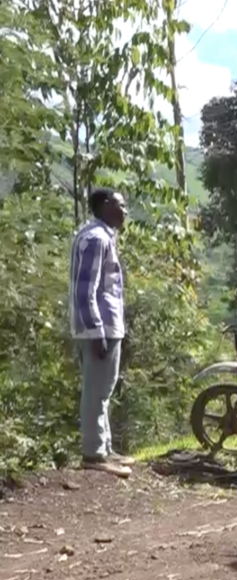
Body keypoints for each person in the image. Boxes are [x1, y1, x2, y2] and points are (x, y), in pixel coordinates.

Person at [70, 188, 134, 478]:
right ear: (105, 205)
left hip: (107, 326)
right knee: (96, 390)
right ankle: (93, 453)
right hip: (100, 327)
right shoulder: (95, 239)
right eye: (121, 205)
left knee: (103, 389)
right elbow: (86, 290)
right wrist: (96, 331)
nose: (125, 211)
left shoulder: (102, 236)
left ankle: (104, 448)